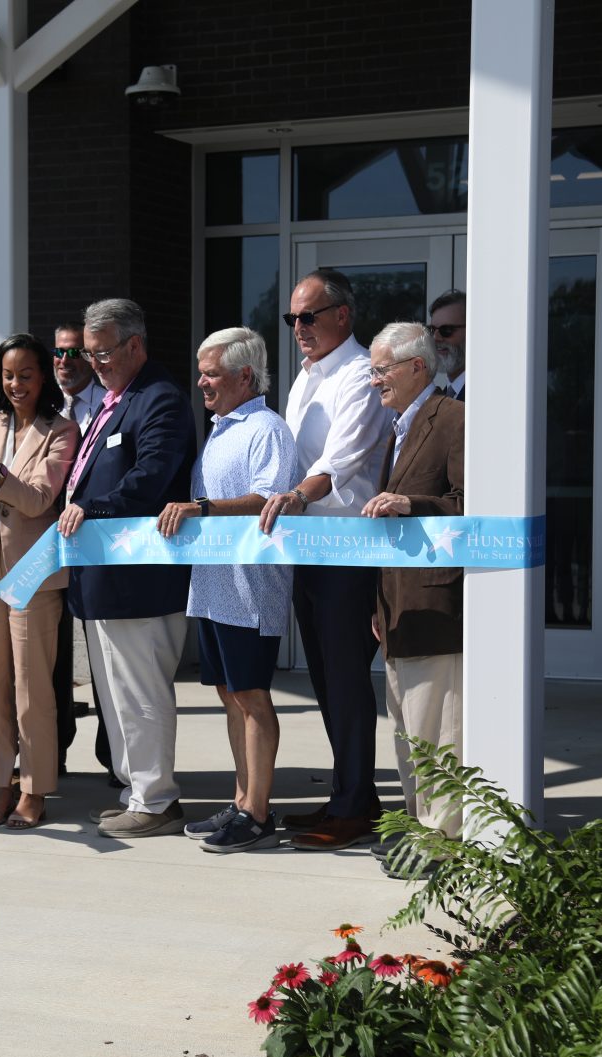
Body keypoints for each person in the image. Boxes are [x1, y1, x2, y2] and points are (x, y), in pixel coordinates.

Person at [258, 269, 393, 851]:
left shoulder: (361, 373)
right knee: (324, 678)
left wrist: (296, 495)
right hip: (307, 548)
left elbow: (342, 459)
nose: (298, 328)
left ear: (343, 315)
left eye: (308, 316)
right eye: (292, 318)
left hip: (346, 548)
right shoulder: (306, 377)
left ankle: (354, 806)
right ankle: (353, 794)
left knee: (344, 679)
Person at [58, 298, 195, 839]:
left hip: (140, 578)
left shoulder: (158, 399)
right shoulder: (116, 399)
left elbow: (151, 476)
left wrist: (92, 508)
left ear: (136, 344)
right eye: (89, 354)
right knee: (113, 694)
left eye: (104, 352)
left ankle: (157, 800)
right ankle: (135, 790)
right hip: (104, 575)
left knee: (140, 693)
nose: (95, 364)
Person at [158, 327, 298, 853]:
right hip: (214, 585)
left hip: (250, 588)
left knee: (252, 696)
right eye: (201, 371)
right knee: (228, 694)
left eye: (211, 373)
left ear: (244, 376)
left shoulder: (267, 428)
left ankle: (258, 815)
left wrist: (204, 509)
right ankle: (242, 802)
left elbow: (268, 496)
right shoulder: (220, 428)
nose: (201, 382)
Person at [0, 333, 79, 828]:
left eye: (25, 375)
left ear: (44, 376)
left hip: (32, 574)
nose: (14, 384)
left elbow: (37, 500)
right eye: (7, 375)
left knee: (33, 687)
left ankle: (35, 789)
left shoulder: (62, 430)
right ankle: (2, 785)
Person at [362, 322, 466, 873]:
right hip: (396, 606)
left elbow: (467, 506)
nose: (375, 379)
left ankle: (441, 841)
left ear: (418, 367)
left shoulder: (453, 419)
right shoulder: (398, 428)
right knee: (406, 729)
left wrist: (409, 505)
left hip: (435, 604)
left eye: (382, 369)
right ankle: (415, 828)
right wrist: (377, 606)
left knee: (437, 732)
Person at [50, 319, 114, 780]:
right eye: (60, 352)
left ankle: (115, 757)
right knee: (50, 658)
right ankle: (51, 752)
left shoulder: (108, 406)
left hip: (94, 547)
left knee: (103, 659)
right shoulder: (43, 406)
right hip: (46, 547)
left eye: (76, 353)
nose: (66, 361)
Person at [427, 289, 466, 401]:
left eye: (447, 330)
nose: (436, 338)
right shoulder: (444, 396)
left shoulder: (485, 392)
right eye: (432, 330)